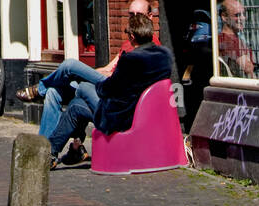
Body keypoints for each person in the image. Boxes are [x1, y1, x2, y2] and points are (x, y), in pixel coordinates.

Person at [45, 13, 173, 168]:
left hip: (124, 117)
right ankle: (65, 150)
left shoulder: (130, 60)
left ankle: (55, 152)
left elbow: (109, 89)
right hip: (147, 113)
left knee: (83, 88)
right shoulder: (165, 57)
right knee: (76, 107)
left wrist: (93, 85)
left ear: (132, 36)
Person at [15, 0, 159, 119]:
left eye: (138, 15)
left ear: (149, 17)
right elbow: (109, 67)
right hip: (106, 80)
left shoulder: (150, 44)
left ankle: (39, 89)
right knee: (53, 92)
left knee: (70, 65)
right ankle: (47, 147)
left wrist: (86, 74)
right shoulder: (128, 42)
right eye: (131, 15)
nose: (134, 19)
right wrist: (88, 73)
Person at [217, 0, 256, 78]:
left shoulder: (226, 38)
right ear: (224, 17)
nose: (243, 18)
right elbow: (248, 69)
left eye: (243, 14)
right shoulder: (229, 41)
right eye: (237, 15)